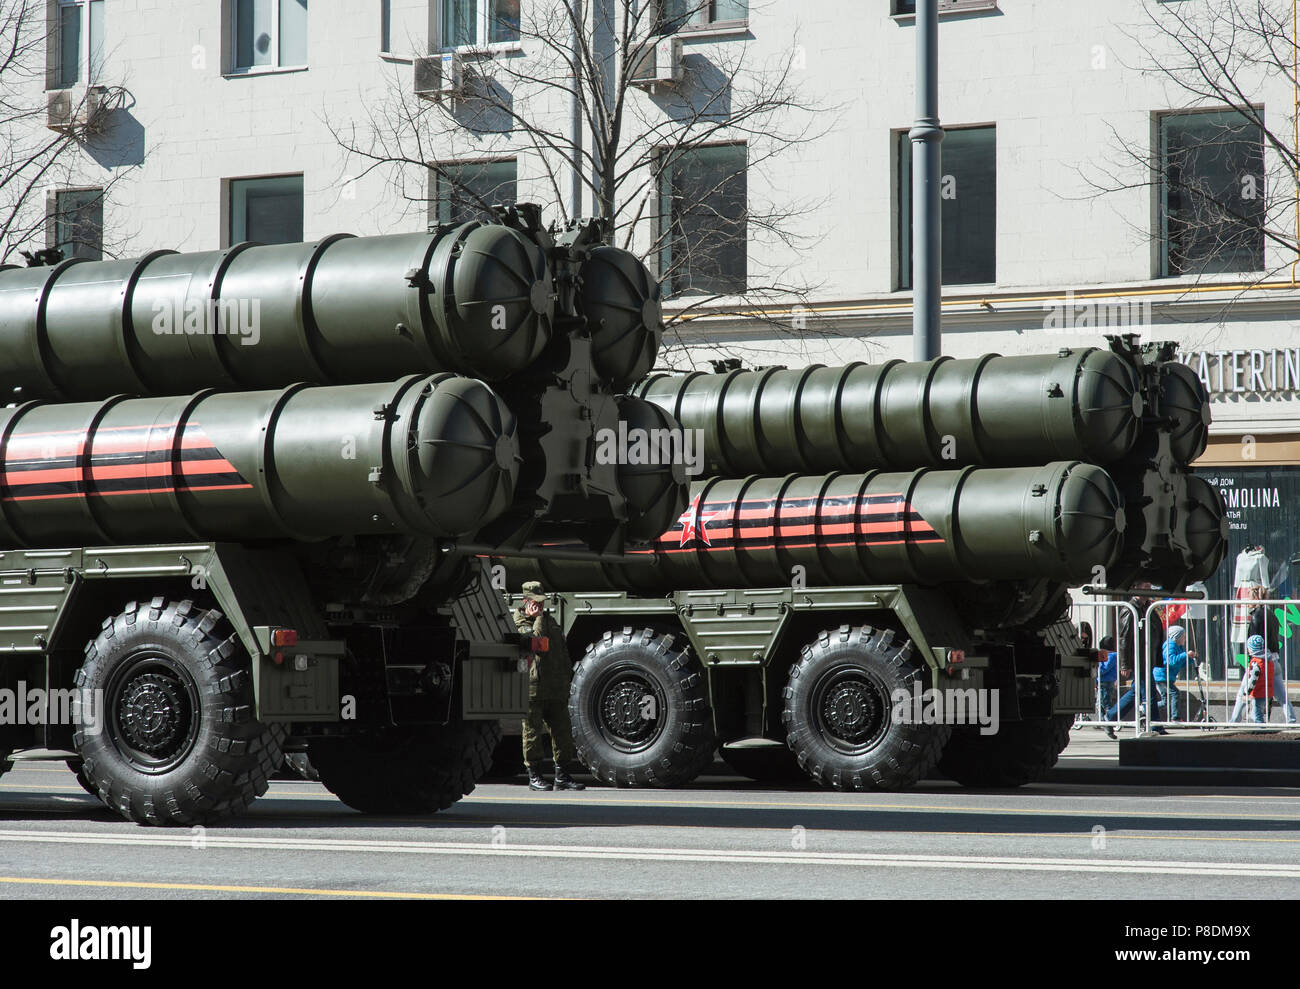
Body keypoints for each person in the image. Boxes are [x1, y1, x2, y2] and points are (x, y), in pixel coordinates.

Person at [514, 580, 585, 792]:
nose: (541, 606)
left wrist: (567, 678)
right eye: (536, 602)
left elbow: (561, 651)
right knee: (532, 734)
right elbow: (537, 644)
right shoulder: (520, 622)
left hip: (555, 687)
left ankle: (562, 775)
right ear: (527, 601)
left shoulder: (549, 621)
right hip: (533, 688)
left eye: (542, 602)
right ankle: (534, 775)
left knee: (563, 732)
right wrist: (536, 619)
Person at [1154, 625, 1193, 722]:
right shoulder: (1170, 645)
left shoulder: (1179, 647)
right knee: (1175, 693)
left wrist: (1190, 659)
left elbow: (1180, 662)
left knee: (1165, 701)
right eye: (1183, 636)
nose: (1185, 638)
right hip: (1162, 676)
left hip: (1167, 676)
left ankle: (1145, 708)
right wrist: (1185, 655)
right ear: (1177, 636)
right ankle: (1175, 718)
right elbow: (1171, 661)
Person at [1244, 634, 1277, 724]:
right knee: (1260, 712)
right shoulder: (1269, 660)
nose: (1248, 650)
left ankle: (1260, 729)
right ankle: (1261, 727)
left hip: (1259, 692)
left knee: (1256, 713)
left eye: (1248, 647)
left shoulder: (1256, 662)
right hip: (1268, 692)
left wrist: (1246, 691)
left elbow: (1253, 679)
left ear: (1252, 649)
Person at [1096, 635, 1118, 739]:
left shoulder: (1112, 656)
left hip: (1106, 682)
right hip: (1104, 681)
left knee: (1106, 703)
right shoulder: (1110, 655)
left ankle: (1108, 724)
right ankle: (1103, 721)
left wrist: (1096, 671)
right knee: (1101, 703)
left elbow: (1104, 668)